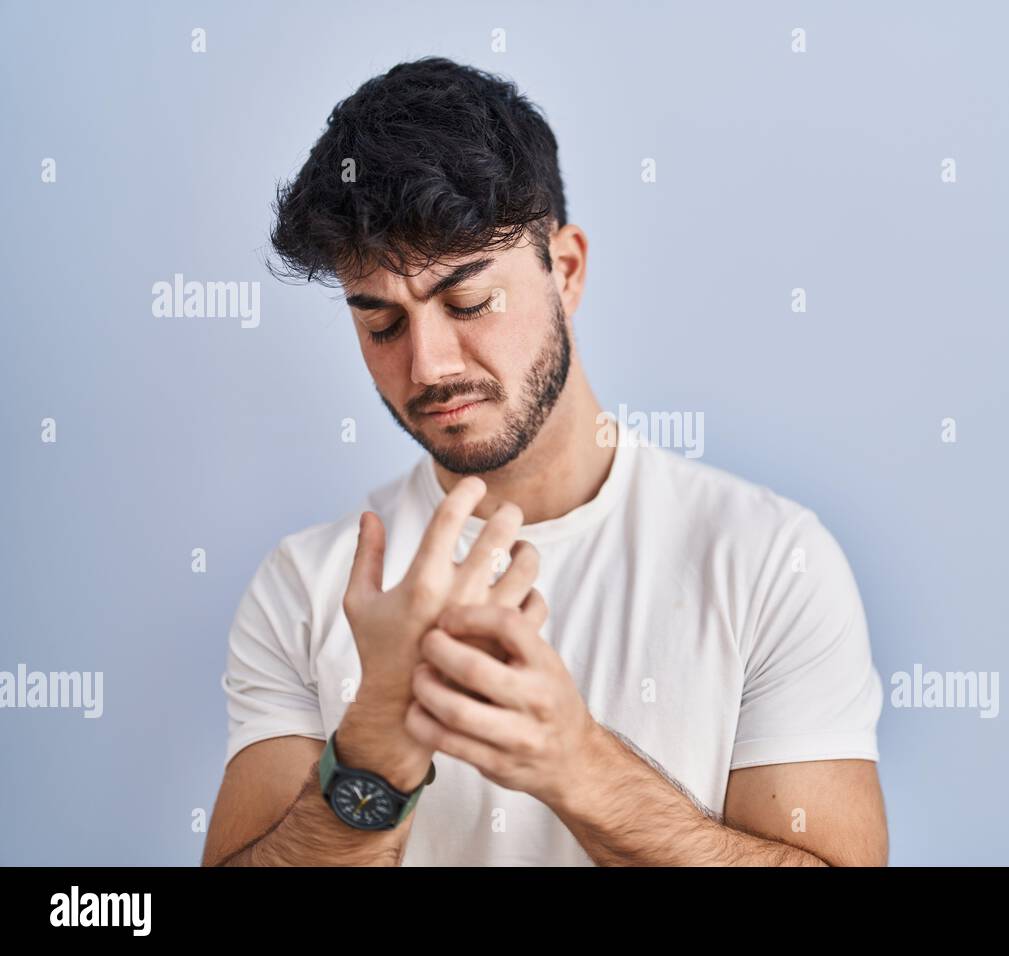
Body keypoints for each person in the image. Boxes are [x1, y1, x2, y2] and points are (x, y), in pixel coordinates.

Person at [202, 56, 886, 866]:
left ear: (565, 271)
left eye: (468, 302)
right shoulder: (311, 586)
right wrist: (373, 750)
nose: (427, 365)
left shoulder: (771, 560)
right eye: (380, 321)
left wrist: (578, 764)